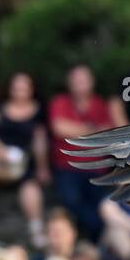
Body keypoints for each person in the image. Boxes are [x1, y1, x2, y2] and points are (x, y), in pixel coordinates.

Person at [0, 72, 49, 247]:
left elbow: (40, 140)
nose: (19, 91)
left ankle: (36, 230)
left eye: (24, 87)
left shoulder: (38, 111)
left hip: (22, 164)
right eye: (16, 87)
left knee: (31, 188)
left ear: (31, 89)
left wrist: (43, 166)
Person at [49, 64, 124, 241]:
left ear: (92, 82)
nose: (80, 83)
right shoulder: (60, 102)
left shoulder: (101, 104)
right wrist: (93, 131)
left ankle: (95, 238)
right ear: (69, 83)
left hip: (97, 167)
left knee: (102, 203)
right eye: (76, 79)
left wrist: (77, 131)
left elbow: (109, 132)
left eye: (83, 79)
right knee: (72, 201)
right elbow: (59, 128)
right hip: (67, 167)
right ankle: (91, 235)